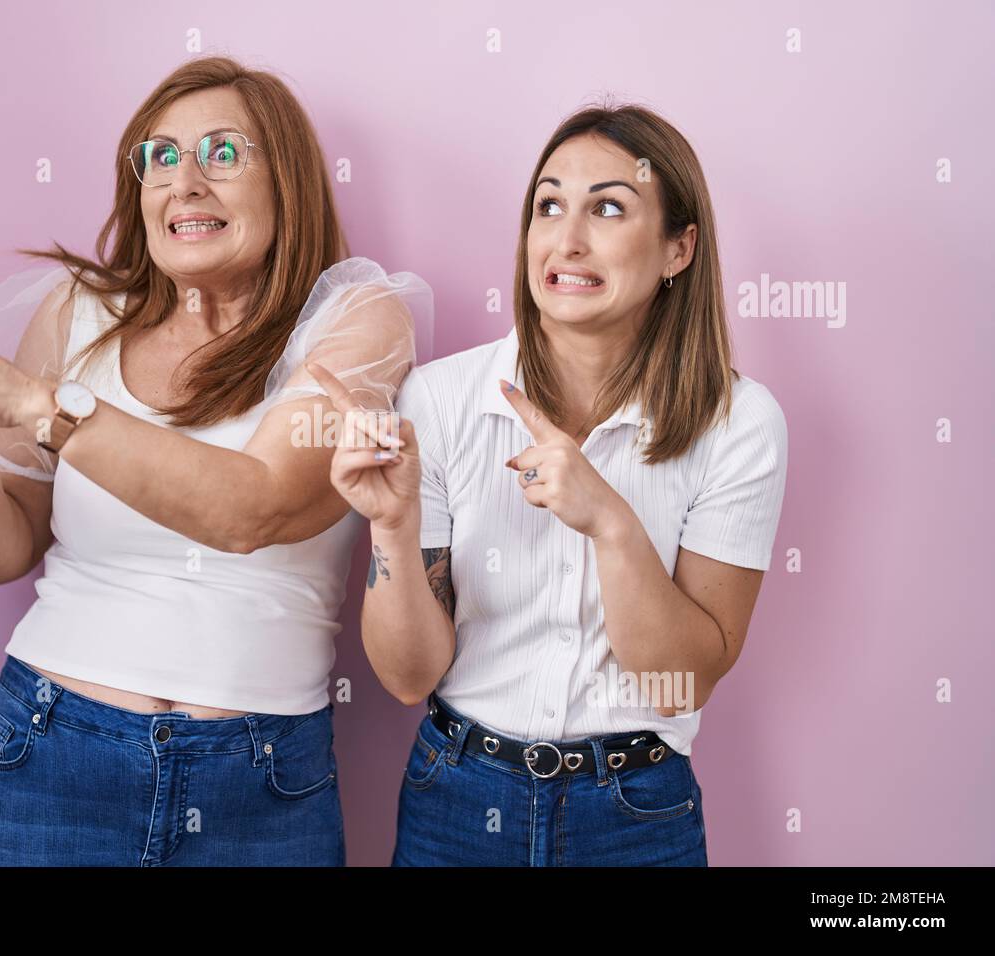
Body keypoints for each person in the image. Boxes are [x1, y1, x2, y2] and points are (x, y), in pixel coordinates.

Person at [0, 55, 431, 866]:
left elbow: (251, 507)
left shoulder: (355, 319)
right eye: (160, 157)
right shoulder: (77, 315)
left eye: (223, 153)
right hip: (46, 753)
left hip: (262, 783)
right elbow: (2, 555)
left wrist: (40, 407)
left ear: (289, 182)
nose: (185, 182)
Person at [309, 102, 788, 866]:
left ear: (678, 249)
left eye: (607, 208)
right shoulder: (437, 401)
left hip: (636, 816)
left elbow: (680, 685)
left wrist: (611, 524)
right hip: (457, 799)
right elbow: (407, 678)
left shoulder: (740, 423)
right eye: (549, 205)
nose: (567, 240)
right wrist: (392, 527)